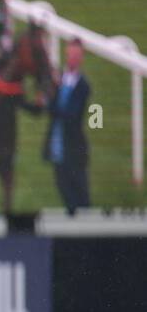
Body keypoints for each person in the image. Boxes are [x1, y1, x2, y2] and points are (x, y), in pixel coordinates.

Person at [43, 38, 92, 215]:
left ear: (81, 58)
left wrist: (53, 96)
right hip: (58, 147)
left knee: (81, 196)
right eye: (70, 54)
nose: (72, 58)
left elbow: (71, 114)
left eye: (76, 55)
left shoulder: (83, 86)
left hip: (74, 148)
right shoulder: (60, 79)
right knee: (65, 192)